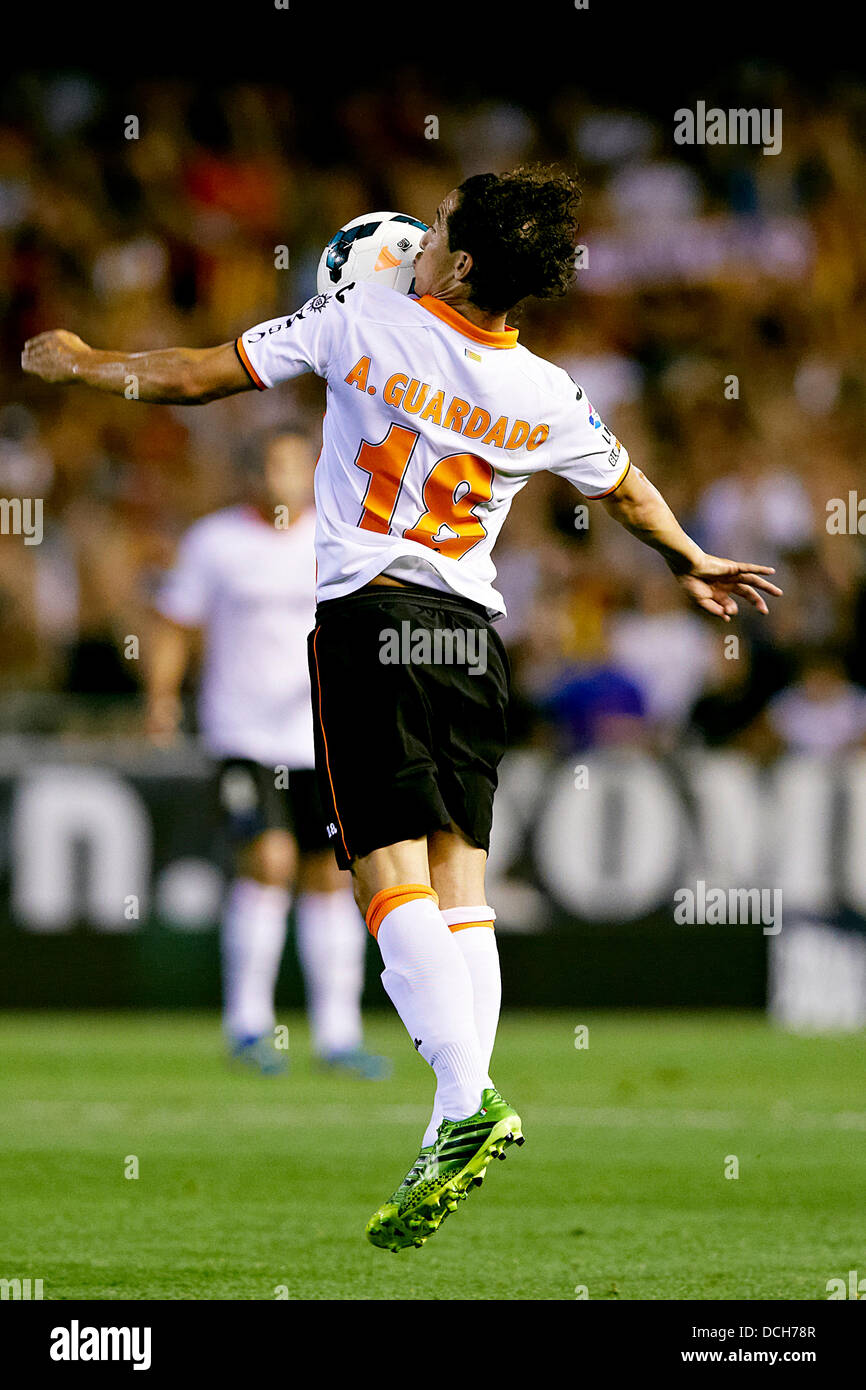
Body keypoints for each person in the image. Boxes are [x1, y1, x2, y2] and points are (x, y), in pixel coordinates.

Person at [22, 165, 781, 1253]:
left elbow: (198, 375)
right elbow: (622, 486)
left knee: (385, 875)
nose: (420, 237)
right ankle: (450, 1114)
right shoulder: (548, 393)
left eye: (437, 230)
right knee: (457, 881)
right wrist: (688, 559)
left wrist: (89, 363)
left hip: (370, 620)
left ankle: (466, 1096)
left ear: (462, 262)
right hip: (471, 636)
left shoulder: (362, 316)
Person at [146, 426, 388, 1079]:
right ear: (253, 473)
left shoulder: (336, 538)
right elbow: (175, 624)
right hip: (242, 737)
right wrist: (162, 698)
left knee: (330, 879)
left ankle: (338, 1034)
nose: (281, 476)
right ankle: (248, 1025)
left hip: (321, 738)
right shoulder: (215, 542)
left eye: (291, 464)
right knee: (268, 862)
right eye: (270, 464)